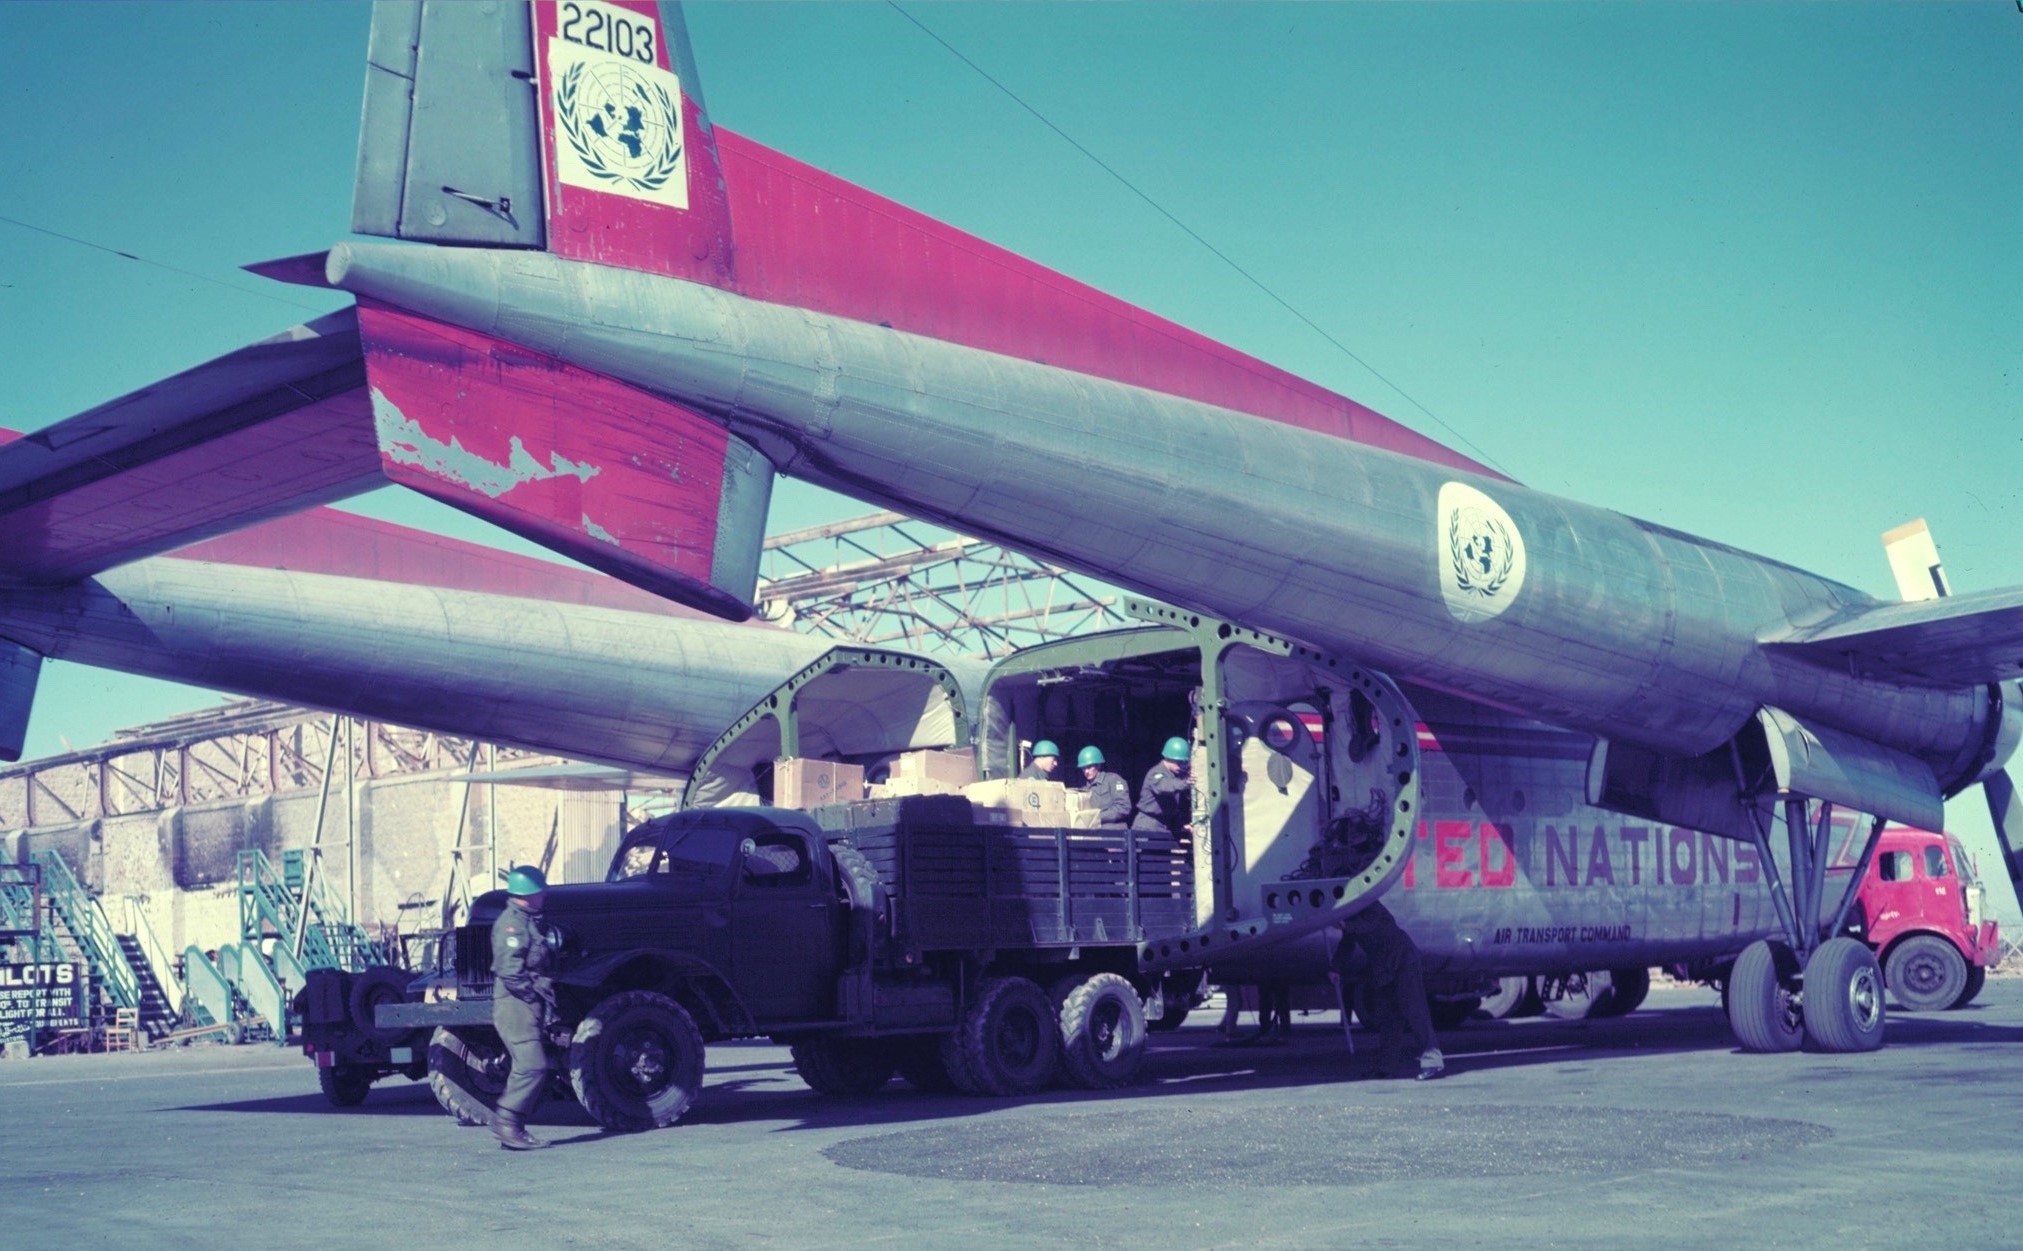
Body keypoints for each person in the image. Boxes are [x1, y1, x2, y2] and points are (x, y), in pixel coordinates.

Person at [1330, 900, 1443, 1080]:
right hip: (1383, 967)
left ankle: (1433, 1061)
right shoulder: (1350, 916)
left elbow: (1368, 924)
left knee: (1414, 1010)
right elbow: (1347, 944)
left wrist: (1344, 924)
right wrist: (1335, 968)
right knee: (1388, 1017)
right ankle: (1386, 1066)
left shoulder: (1369, 904)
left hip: (1403, 960)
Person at [490, 865, 558, 1149]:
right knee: (532, 1065)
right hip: (515, 1005)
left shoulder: (528, 920)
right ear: (527, 895)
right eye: (539, 891)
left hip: (524, 1003)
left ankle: (512, 1127)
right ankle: (507, 1123)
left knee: (531, 1064)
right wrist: (531, 996)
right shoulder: (513, 925)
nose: (543, 895)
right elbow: (510, 969)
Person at [1131, 736, 1195, 842]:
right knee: (1148, 858)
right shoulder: (1156, 774)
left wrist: (1181, 826)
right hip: (1147, 827)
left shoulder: (1176, 775)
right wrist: (1185, 783)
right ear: (1168, 758)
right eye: (1178, 762)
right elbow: (1164, 787)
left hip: (1165, 827)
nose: (1181, 765)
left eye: (1183, 762)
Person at [1076, 746, 1132, 829]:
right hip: (1093, 834)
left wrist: (1097, 817)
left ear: (1098, 765)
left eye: (1089, 767)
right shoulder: (1083, 790)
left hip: (1114, 834)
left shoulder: (1113, 780)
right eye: (1083, 768)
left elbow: (1124, 807)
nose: (1086, 771)